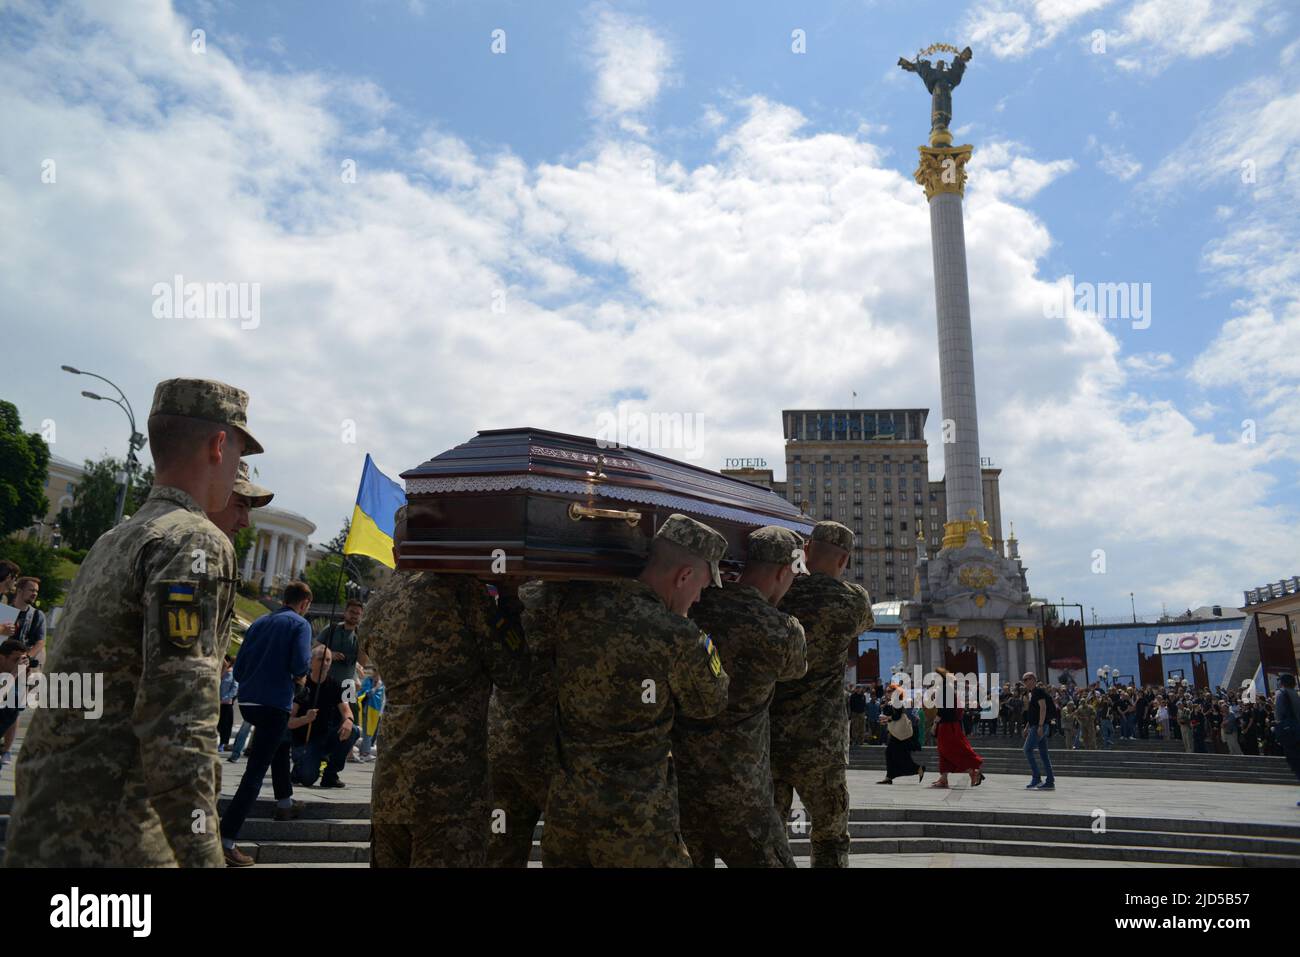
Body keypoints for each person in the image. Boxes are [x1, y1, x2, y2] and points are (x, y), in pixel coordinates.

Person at [3, 378, 258, 868]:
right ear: (220, 444)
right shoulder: (195, 542)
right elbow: (179, 722)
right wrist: (205, 857)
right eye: (241, 449)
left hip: (49, 823)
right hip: (121, 838)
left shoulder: (114, 538)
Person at [542, 514, 730, 868]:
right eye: (701, 588)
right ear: (684, 576)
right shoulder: (676, 634)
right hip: (638, 824)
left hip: (567, 815)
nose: (699, 598)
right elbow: (711, 701)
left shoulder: (573, 608)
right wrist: (689, 629)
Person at [359, 506, 531, 868]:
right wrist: (510, 600)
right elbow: (515, 676)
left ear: (395, 553)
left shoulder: (376, 606)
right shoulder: (461, 591)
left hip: (390, 784)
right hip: (450, 794)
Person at [674, 525, 808, 868]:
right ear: (782, 572)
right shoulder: (781, 630)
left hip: (681, 786)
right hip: (743, 794)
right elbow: (796, 669)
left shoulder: (696, 606)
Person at [772, 521, 874, 868]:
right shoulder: (852, 600)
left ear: (806, 549)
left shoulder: (781, 592)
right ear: (843, 559)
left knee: (770, 834)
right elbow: (865, 623)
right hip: (823, 740)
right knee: (830, 835)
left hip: (770, 734)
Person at [220, 580, 314, 865]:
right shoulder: (300, 624)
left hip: (249, 702)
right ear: (304, 604)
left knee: (278, 744)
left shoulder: (259, 622)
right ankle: (227, 839)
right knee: (254, 773)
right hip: (275, 703)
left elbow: (241, 666)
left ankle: (284, 802)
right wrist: (301, 677)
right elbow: (300, 664)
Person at [290, 642, 357, 787]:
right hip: (306, 740)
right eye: (321, 659)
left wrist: (349, 720)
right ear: (311, 662)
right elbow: (288, 721)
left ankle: (330, 775)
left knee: (354, 731)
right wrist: (305, 719)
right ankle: (299, 768)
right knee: (307, 779)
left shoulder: (336, 685)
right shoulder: (302, 685)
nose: (325, 664)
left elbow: (346, 710)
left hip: (326, 736)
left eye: (328, 660)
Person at [930, 669, 984, 789]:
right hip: (951, 725)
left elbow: (943, 710)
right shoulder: (948, 690)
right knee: (944, 751)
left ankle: (972, 771)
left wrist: (934, 724)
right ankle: (943, 779)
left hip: (947, 726)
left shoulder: (944, 690)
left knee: (949, 751)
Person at [877, 685, 925, 784]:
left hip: (899, 733)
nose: (887, 693)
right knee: (898, 754)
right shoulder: (891, 702)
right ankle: (890, 776)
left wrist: (887, 719)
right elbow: (889, 713)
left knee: (892, 754)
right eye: (887, 691)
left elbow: (896, 716)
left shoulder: (897, 702)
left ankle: (916, 769)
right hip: (897, 733)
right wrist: (885, 706)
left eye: (889, 691)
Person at [317, 600, 369, 688]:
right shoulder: (331, 629)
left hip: (348, 686)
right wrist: (329, 654)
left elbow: (362, 662)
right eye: (352, 612)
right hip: (326, 683)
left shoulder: (361, 635)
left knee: (349, 702)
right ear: (345, 613)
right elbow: (314, 648)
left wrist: (362, 642)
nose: (354, 615)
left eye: (358, 613)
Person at [1022, 672, 1055, 790]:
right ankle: (1050, 781)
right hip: (1036, 725)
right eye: (1024, 680)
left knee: (1027, 749)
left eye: (1027, 679)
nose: (1025, 682)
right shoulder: (1032, 693)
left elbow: (1043, 708)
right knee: (1044, 754)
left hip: (1039, 726)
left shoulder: (1039, 691)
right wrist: (1027, 727)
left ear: (1034, 680)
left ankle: (1036, 778)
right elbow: (1033, 713)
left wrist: (1040, 726)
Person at [1272, 674, 1300, 805]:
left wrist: (1277, 727)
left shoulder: (1281, 694)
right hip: (1297, 730)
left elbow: (1279, 714)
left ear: (1282, 683)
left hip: (1290, 733)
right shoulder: (1295, 693)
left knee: (1295, 762)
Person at [218, 655, 238, 751]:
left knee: (225, 725)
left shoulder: (234, 673)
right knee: (218, 724)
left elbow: (235, 689)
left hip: (226, 703)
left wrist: (225, 699)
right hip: (218, 702)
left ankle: (222, 744)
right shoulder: (223, 672)